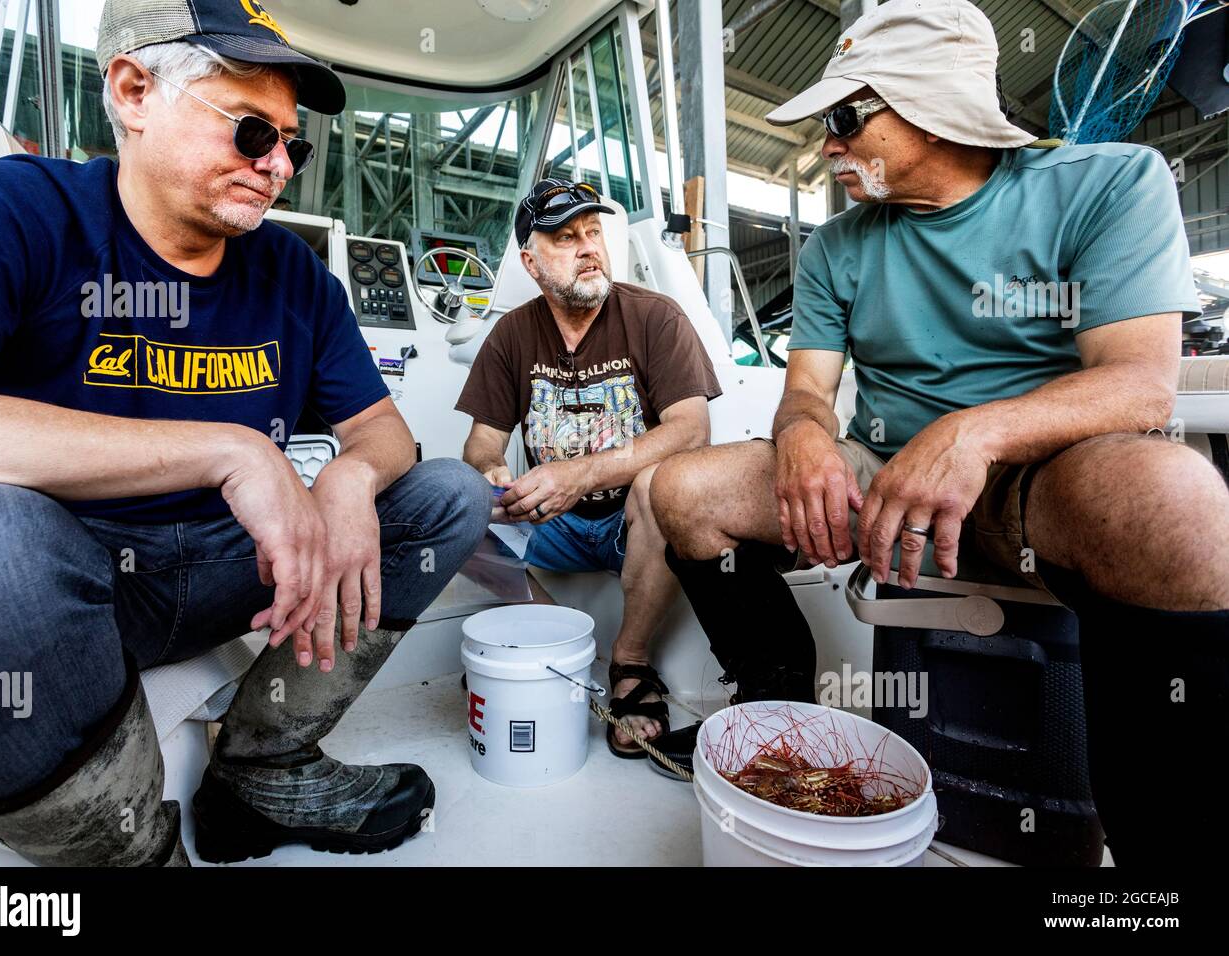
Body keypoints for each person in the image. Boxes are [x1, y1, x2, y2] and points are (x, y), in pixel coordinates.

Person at [648, 0, 1228, 866]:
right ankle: (774, 706)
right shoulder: (837, 246)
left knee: (1177, 498)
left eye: (846, 118)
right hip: (879, 476)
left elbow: (1139, 385)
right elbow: (808, 389)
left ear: (932, 103)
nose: (828, 146)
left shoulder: (1110, 182)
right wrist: (804, 433)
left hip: (1042, 485)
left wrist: (970, 437)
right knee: (683, 490)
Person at [0, 0, 490, 865]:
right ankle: (128, 848)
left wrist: (349, 479)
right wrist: (228, 449)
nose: (277, 169)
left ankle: (264, 765)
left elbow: (383, 431)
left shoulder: (296, 278)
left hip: (246, 571)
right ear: (132, 91)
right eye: (251, 134)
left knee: (451, 495)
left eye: (291, 147)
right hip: (70, 584)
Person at [456, 179, 721, 758]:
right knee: (454, 506)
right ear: (531, 260)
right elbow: (481, 440)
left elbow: (691, 430)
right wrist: (492, 470)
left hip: (640, 527)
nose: (588, 246)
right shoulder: (512, 333)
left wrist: (581, 475)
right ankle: (557, 644)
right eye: (565, 237)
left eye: (593, 232)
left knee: (663, 481)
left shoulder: (656, 317)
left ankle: (630, 663)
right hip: (555, 525)